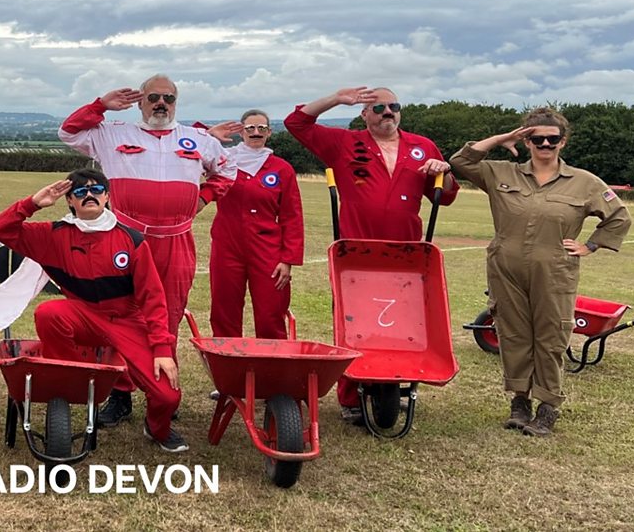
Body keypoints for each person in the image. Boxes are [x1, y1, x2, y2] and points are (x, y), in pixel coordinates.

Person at [59, 74, 234, 425]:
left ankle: (164, 391)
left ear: (176, 103)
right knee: (120, 312)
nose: (161, 104)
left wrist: (203, 197)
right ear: (140, 101)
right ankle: (121, 394)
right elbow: (69, 132)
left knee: (168, 314)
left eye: (168, 98)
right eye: (153, 97)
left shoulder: (198, 139)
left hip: (175, 240)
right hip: (125, 238)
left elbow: (228, 171)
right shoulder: (114, 133)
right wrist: (100, 106)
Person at [450, 108, 631, 436]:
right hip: (506, 269)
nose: (545, 144)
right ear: (527, 139)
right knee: (514, 333)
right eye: (537, 138)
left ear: (563, 141)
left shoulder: (584, 182)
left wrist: (590, 245)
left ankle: (548, 406)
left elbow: (618, 216)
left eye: (552, 138)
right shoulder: (501, 173)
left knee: (551, 337)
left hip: (555, 272)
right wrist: (502, 139)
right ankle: (520, 401)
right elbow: (461, 162)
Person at [284, 85, 460, 424]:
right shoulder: (345, 143)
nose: (387, 113)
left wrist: (446, 172)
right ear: (365, 114)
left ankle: (395, 382)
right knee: (355, 325)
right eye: (378, 108)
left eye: (393, 106)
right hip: (357, 254)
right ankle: (351, 396)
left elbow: (447, 195)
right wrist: (335, 99)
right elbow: (297, 123)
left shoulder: (422, 147)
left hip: (406, 255)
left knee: (402, 324)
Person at [0, 169, 187, 452]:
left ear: (107, 197)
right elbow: (0, 230)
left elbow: (153, 299)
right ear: (70, 201)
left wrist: (163, 350)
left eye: (96, 191)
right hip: (82, 316)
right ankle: (72, 382)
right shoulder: (53, 235)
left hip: (126, 320)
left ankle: (156, 429)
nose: (89, 196)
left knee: (168, 396)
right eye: (80, 192)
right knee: (48, 313)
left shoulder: (132, 240)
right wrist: (32, 203)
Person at [206, 110, 304, 339]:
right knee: (224, 308)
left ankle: (271, 367)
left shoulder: (281, 168)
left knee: (271, 310)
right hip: (227, 245)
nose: (256, 133)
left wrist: (288, 259)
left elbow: (292, 216)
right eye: (250, 128)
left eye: (261, 128)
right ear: (242, 131)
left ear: (269, 132)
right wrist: (209, 135)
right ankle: (228, 366)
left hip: (267, 247)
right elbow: (189, 155)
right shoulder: (223, 161)